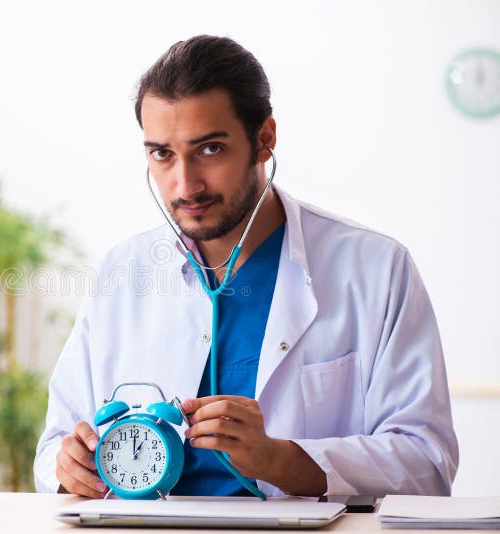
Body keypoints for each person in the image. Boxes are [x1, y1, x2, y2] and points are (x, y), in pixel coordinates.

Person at [33, 35, 458, 498]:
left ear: (265, 140)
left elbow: (427, 464)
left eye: (210, 149)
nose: (185, 185)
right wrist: (69, 467)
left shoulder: (376, 268)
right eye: (162, 154)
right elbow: (56, 443)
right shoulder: (122, 271)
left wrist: (281, 460)